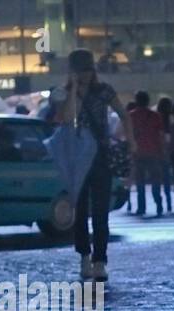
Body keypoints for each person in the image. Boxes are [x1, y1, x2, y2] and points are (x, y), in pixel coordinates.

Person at [51, 49, 132, 281]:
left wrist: (130, 140)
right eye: (80, 70)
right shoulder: (62, 93)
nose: (85, 74)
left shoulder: (104, 91)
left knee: (100, 212)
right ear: (72, 72)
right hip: (77, 158)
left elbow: (123, 114)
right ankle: (84, 257)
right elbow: (67, 118)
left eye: (88, 70)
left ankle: (99, 261)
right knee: (80, 211)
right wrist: (74, 90)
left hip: (100, 156)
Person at [128, 91, 165, 216]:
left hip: (137, 153)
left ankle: (141, 207)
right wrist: (162, 150)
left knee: (140, 183)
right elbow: (160, 135)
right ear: (148, 101)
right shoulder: (155, 116)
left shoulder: (131, 116)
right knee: (155, 181)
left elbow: (128, 135)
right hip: (153, 152)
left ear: (136, 101)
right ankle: (158, 203)